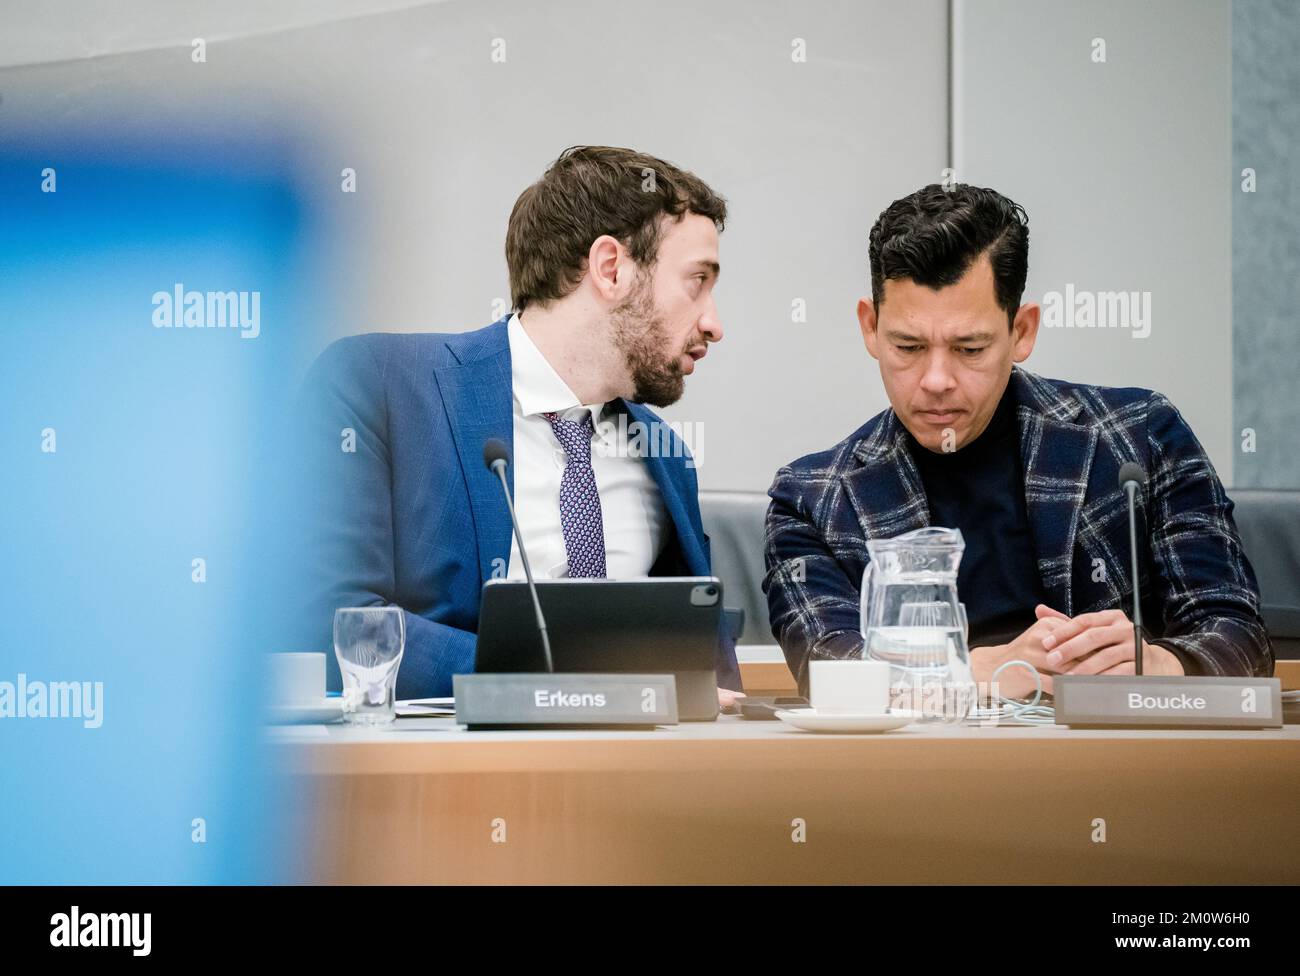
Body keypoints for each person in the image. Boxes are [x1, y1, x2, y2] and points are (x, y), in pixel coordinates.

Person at [763, 183, 1272, 699]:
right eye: (909, 346)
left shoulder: (1141, 437)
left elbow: (1240, 636)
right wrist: (982, 670)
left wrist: (1161, 665)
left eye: (969, 348)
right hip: (915, 776)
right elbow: (829, 668)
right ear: (870, 329)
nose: (936, 379)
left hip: (1118, 769)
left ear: (1022, 331)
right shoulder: (813, 500)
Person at [298, 146, 742, 701]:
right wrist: (562, 681)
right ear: (611, 269)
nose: (714, 323)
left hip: (634, 776)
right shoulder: (378, 385)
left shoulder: (665, 455)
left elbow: (704, 672)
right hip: (443, 775)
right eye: (696, 281)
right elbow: (330, 623)